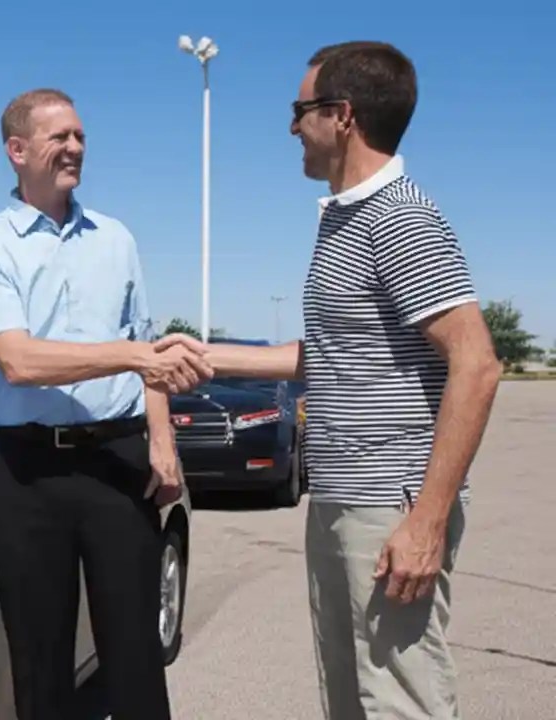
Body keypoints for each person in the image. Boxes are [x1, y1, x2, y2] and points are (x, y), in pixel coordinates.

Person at [187, 42, 502, 719]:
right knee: (351, 695)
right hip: (339, 497)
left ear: (342, 116)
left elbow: (476, 364)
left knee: (398, 700)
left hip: (390, 507)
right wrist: (207, 357)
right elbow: (330, 354)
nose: (293, 128)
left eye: (299, 112)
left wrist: (426, 521)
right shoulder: (346, 222)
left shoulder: (400, 219)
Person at [0, 87, 211, 720]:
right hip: (24, 472)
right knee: (39, 663)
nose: (74, 148)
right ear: (17, 151)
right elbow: (18, 360)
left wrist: (162, 442)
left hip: (115, 463)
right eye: (58, 137)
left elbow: (146, 346)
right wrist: (130, 356)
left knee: (135, 652)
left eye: (80, 137)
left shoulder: (116, 240)